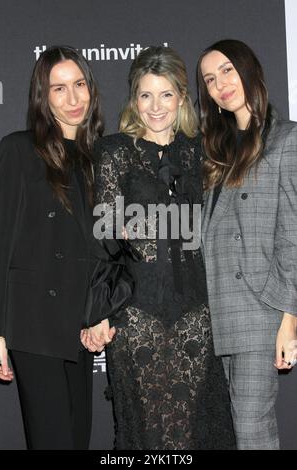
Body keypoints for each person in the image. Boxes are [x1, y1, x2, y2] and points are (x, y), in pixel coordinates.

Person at [91, 45, 235, 450]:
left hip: (196, 312)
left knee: (196, 434)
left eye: (166, 94)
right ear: (134, 99)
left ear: (182, 97)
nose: (156, 106)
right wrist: (100, 311)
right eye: (146, 95)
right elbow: (105, 241)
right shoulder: (114, 152)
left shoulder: (202, 151)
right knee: (147, 436)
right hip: (137, 317)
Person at [0, 45, 113, 450]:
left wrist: (99, 313)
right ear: (42, 98)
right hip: (32, 325)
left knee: (77, 438)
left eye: (79, 84)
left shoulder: (98, 159)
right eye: (58, 88)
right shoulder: (18, 149)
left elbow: (103, 251)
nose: (73, 98)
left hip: (77, 329)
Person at [197, 39, 297, 450]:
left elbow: (293, 236)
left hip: (259, 311)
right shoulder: (213, 150)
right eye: (209, 79)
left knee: (252, 431)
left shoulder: (286, 140)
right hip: (212, 312)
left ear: (248, 69)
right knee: (228, 432)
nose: (220, 83)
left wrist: (289, 319)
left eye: (226, 70)